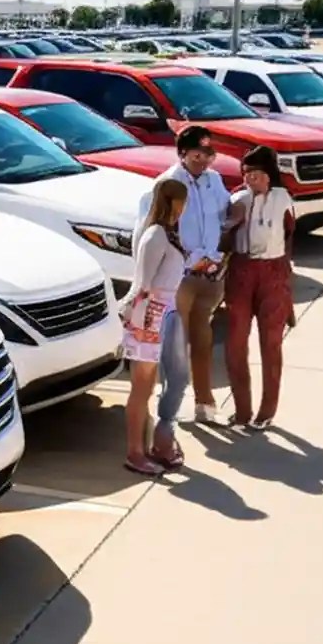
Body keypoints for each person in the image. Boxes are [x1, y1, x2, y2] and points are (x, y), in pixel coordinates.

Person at [138, 125, 232, 425]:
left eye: (208, 155)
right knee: (174, 348)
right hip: (179, 277)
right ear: (182, 154)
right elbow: (150, 232)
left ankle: (205, 404)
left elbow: (223, 218)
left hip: (210, 276)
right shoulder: (166, 185)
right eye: (196, 156)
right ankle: (171, 407)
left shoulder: (213, 181)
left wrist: (220, 257)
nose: (203, 162)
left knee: (203, 342)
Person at [222, 145, 296, 431]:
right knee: (236, 340)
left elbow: (290, 234)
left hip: (273, 271)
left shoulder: (283, 198)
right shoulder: (237, 199)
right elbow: (224, 235)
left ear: (269, 175)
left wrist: (285, 278)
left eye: (256, 173)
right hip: (242, 269)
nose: (250, 179)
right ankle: (242, 410)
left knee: (271, 342)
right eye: (246, 173)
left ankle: (267, 410)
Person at [120, 179, 189, 476]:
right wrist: (136, 320)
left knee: (163, 382)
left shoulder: (167, 232)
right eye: (182, 201)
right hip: (149, 315)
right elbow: (143, 284)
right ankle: (135, 452)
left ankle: (151, 445)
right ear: (173, 202)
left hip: (164, 312)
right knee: (142, 388)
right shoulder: (155, 235)